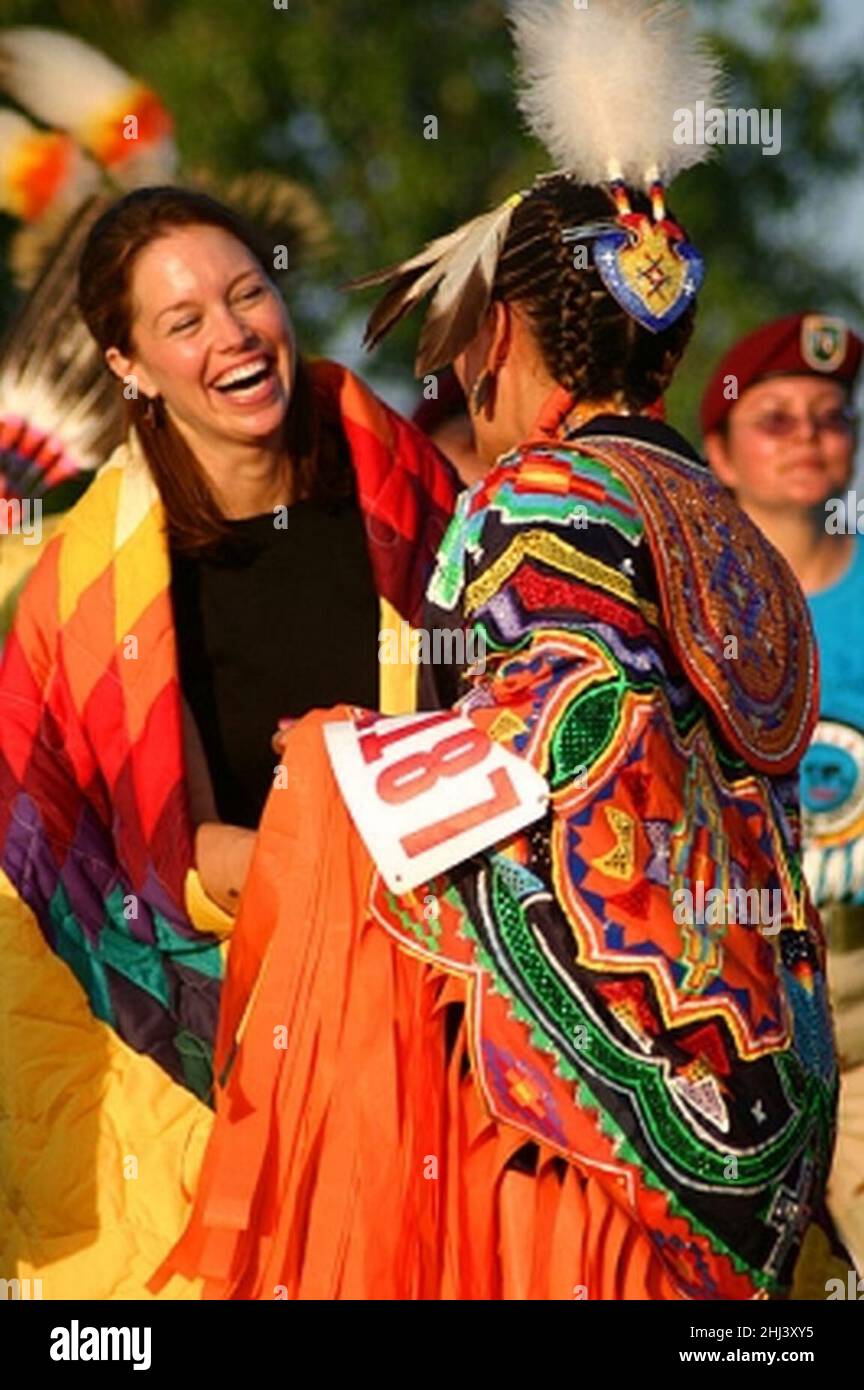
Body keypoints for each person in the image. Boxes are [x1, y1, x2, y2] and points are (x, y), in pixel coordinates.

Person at [155, 0, 836, 1301]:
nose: (463, 368)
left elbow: (546, 742)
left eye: (470, 337)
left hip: (598, 1109)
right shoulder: (714, 513)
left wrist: (339, 762)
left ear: (511, 334)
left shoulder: (539, 495)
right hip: (759, 1065)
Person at [0, 185, 457, 1298]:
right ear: (129, 366)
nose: (233, 334)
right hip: (189, 1017)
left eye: (246, 293)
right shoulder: (99, 585)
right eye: (184, 321)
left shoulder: (406, 488)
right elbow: (165, 861)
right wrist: (350, 847)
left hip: (431, 999)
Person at [702, 311, 864, 1275]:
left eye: (831, 416)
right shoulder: (683, 605)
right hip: (731, 1019)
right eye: (777, 420)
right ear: (717, 451)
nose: (809, 437)